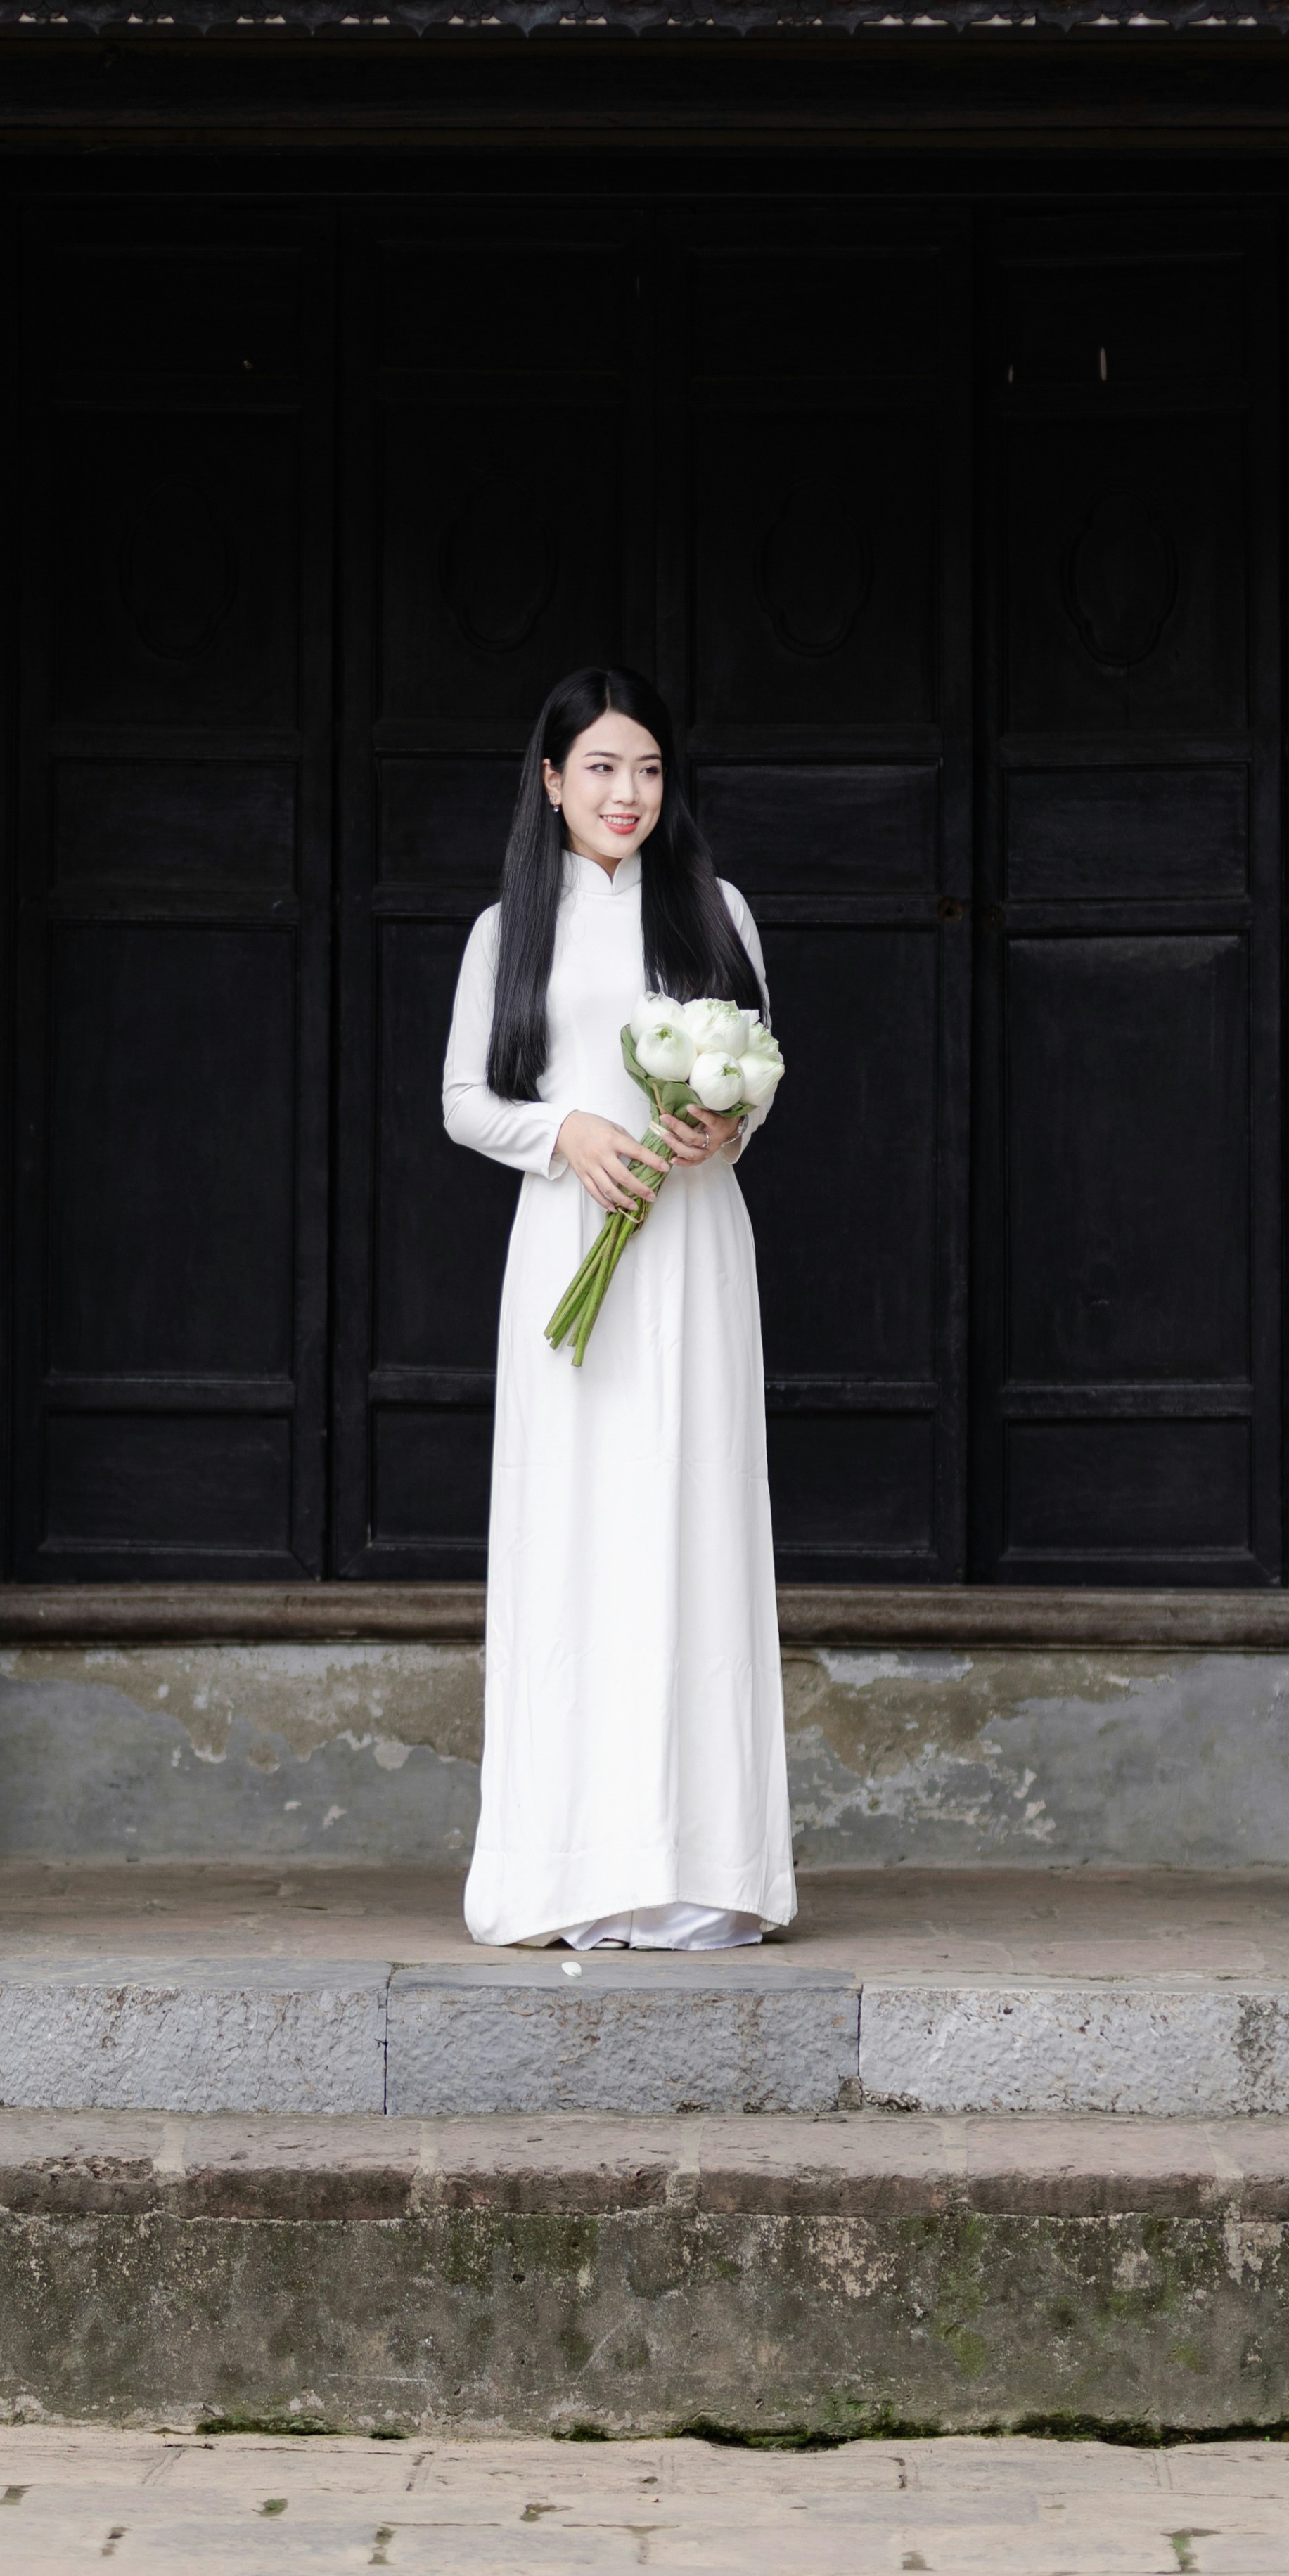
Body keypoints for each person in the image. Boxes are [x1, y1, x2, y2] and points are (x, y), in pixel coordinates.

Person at [442, 664, 796, 1950]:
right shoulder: (508, 928)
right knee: (576, 1528)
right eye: (599, 768)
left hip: (694, 1251)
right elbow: (464, 1101)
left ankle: (701, 1866)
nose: (626, 792)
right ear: (551, 781)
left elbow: (761, 1075)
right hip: (569, 1249)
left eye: (646, 769)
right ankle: (567, 1862)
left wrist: (722, 1121)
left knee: (691, 1522)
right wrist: (568, 1130)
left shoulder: (718, 910)